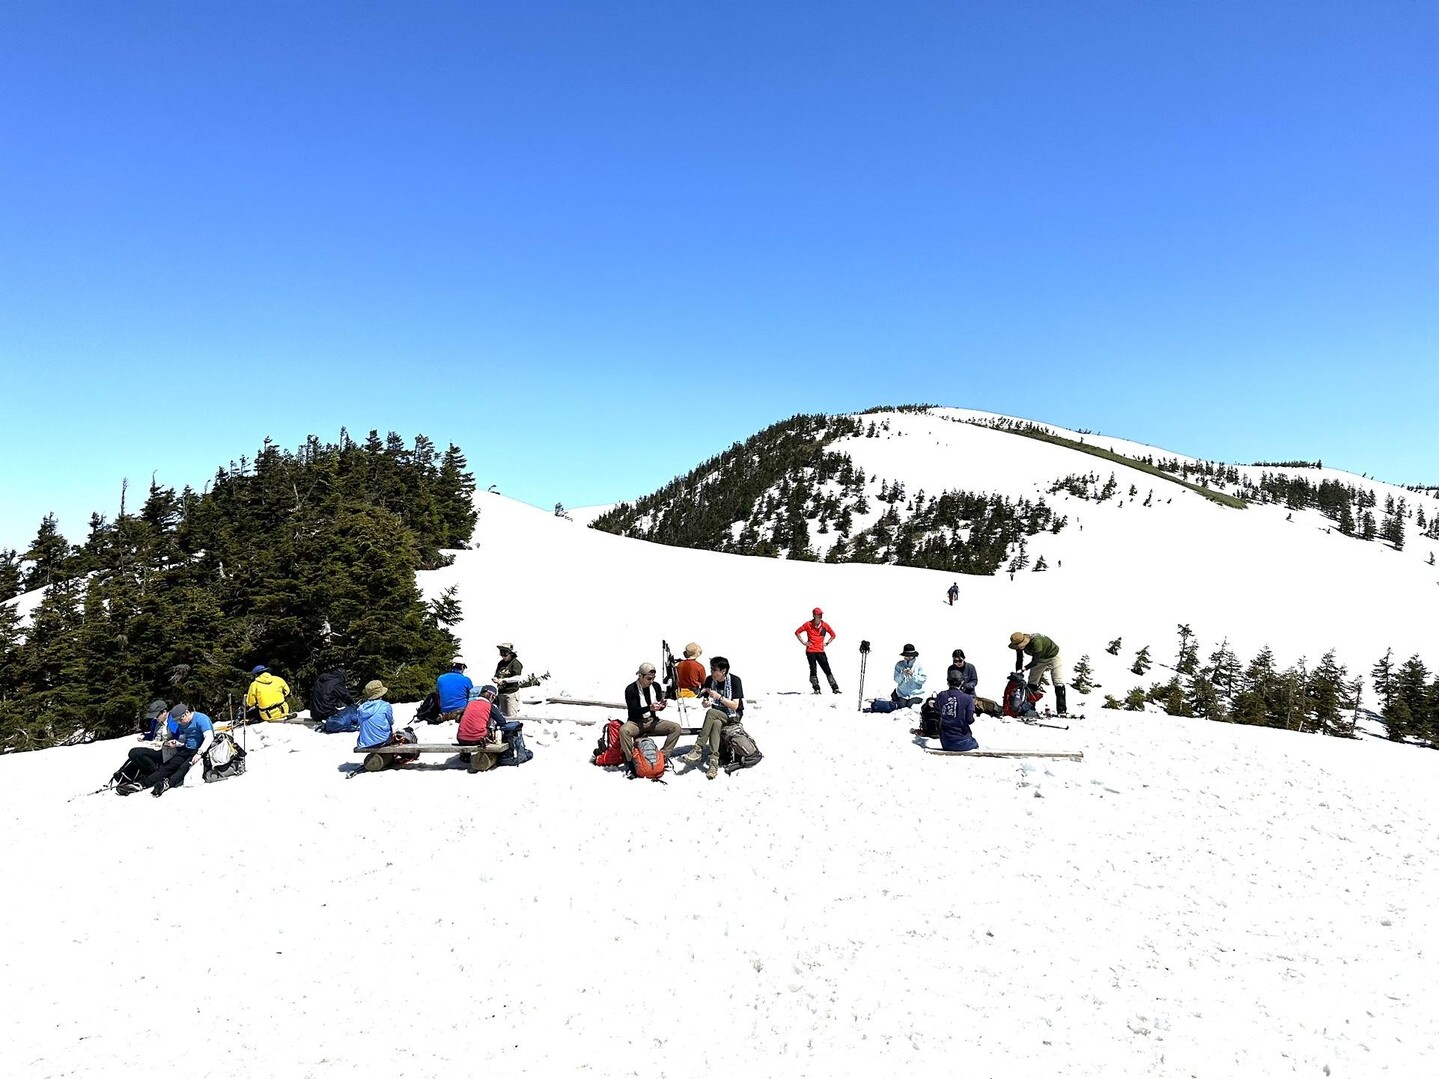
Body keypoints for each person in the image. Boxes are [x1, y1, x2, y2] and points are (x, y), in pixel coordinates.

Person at [116, 702, 215, 797]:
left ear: (187, 713)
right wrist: (176, 743)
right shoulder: (182, 723)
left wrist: (200, 753)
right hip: (187, 749)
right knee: (169, 766)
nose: (179, 723)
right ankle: (142, 784)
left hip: (200, 750)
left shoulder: (201, 719)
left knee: (183, 768)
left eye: (180, 719)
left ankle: (167, 783)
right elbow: (183, 739)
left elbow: (209, 737)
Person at [682, 655, 745, 779]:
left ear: (723, 671)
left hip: (733, 714)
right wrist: (705, 703)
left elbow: (735, 705)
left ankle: (698, 748)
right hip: (717, 714)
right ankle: (713, 763)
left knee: (711, 714)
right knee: (716, 723)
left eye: (714, 670)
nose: (712, 673)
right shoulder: (710, 680)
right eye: (711, 669)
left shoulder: (734, 681)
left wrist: (719, 697)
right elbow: (706, 699)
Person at [621, 661, 681, 769]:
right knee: (624, 731)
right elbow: (633, 710)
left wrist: (661, 706)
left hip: (652, 721)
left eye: (653, 678)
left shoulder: (656, 686)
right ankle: (631, 759)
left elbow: (657, 704)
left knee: (676, 728)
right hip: (636, 722)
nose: (651, 681)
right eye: (649, 679)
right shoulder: (631, 689)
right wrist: (649, 707)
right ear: (640, 676)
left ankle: (663, 756)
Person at [1011, 632, 1068, 716]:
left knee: (1058, 681)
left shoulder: (1036, 642)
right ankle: (1030, 708)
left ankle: (1062, 710)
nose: (1020, 648)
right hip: (1040, 658)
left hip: (1053, 656)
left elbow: (1035, 661)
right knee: (1032, 682)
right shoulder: (1018, 643)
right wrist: (1018, 673)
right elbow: (1019, 659)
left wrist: (1023, 669)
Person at [864, 644, 926, 713]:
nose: (908, 657)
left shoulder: (919, 665)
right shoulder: (899, 665)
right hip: (902, 694)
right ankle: (878, 705)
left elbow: (923, 680)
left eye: (910, 655)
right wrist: (902, 674)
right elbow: (896, 679)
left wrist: (913, 675)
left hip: (916, 694)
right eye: (906, 655)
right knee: (901, 705)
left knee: (910, 705)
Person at [794, 607, 840, 695]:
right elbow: (797, 632)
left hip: (820, 650)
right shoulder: (808, 624)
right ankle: (816, 688)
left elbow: (833, 635)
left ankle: (835, 688)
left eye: (820, 614)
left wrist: (827, 643)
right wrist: (804, 642)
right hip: (810, 651)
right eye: (818, 614)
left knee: (827, 669)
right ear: (814, 615)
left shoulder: (825, 625)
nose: (820, 616)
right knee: (813, 670)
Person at [934, 669, 979, 751]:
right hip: (963, 740)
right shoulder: (968, 698)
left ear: (948, 682)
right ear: (962, 682)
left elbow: (936, 710)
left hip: (946, 742)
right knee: (975, 743)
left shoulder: (941, 695)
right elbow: (970, 720)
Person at [311, 667, 358, 732]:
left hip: (315, 714)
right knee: (349, 710)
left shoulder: (320, 679)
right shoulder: (336, 682)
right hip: (327, 712)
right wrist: (353, 704)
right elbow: (345, 696)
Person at [356, 679, 397, 750]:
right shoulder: (385, 705)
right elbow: (391, 722)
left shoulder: (361, 708)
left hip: (364, 742)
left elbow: (359, 723)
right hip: (382, 740)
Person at [493, 643, 523, 717]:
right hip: (501, 692)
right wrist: (496, 679)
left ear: (511, 654)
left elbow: (517, 678)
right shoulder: (500, 663)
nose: (503, 656)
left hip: (511, 693)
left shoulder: (515, 663)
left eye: (505, 654)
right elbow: (497, 674)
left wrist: (505, 680)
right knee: (502, 716)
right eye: (501, 653)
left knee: (511, 716)